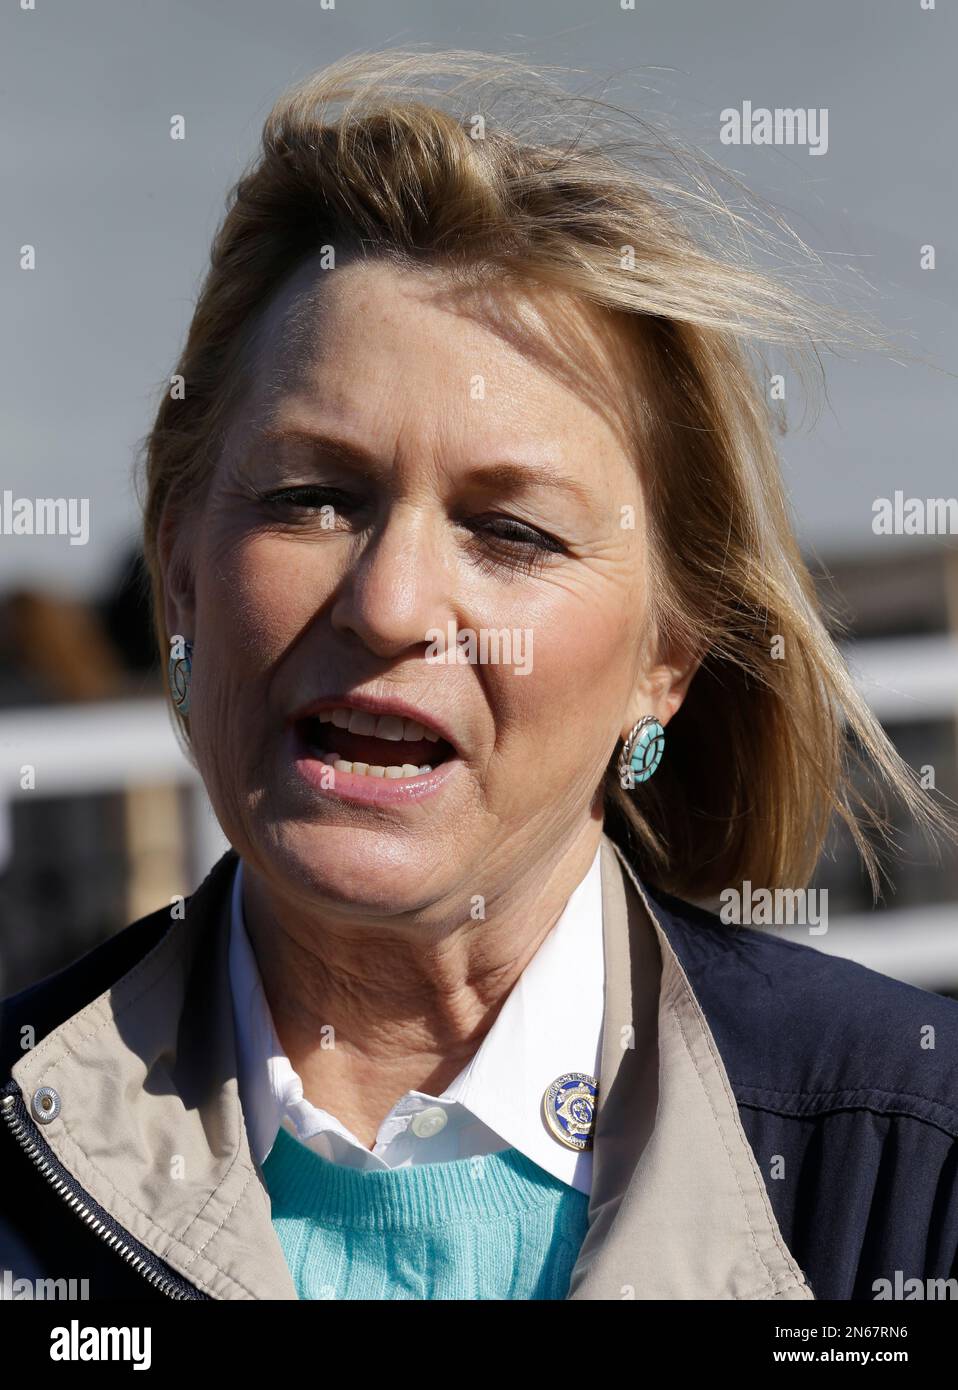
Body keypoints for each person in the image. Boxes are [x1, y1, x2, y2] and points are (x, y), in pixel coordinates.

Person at [2, 50, 956, 1302]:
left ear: (664, 661)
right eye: (309, 498)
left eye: (511, 531)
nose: (391, 604)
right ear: (180, 571)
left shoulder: (901, 1168)